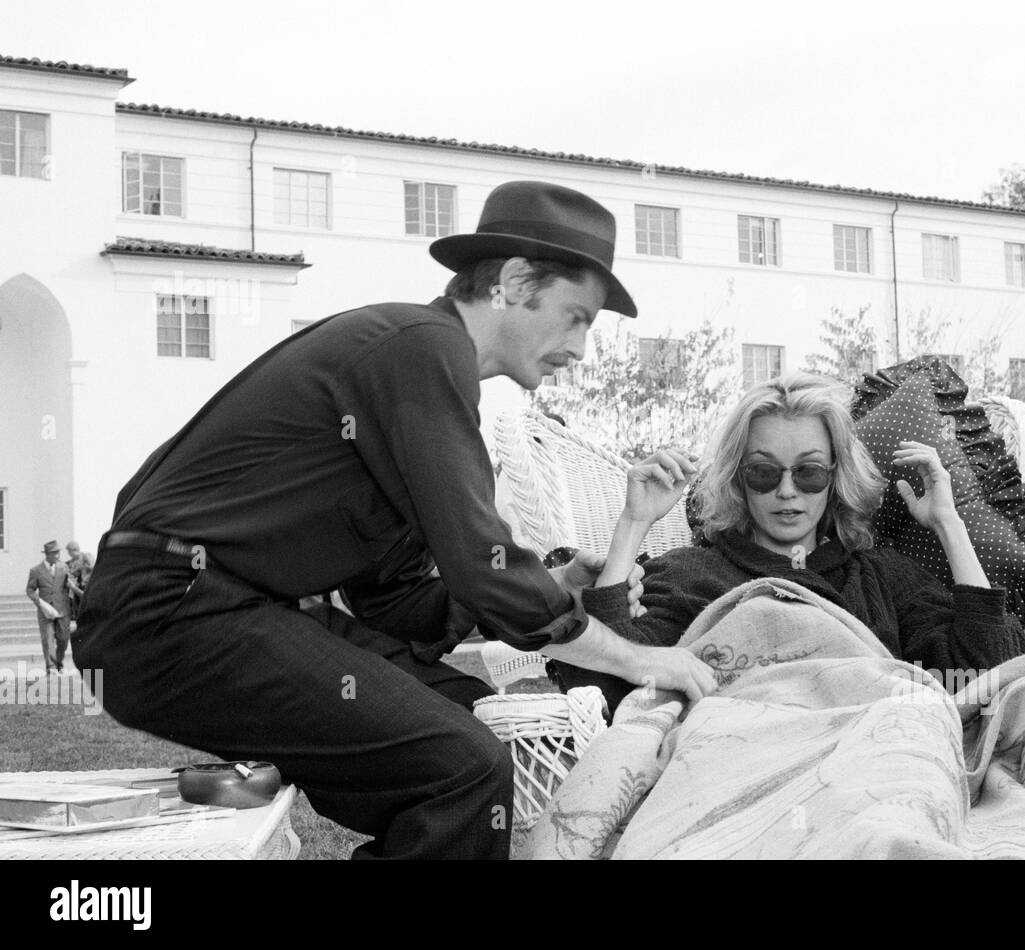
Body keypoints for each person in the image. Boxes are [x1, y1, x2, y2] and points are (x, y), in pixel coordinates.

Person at [74, 180, 716, 860]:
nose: (581, 347)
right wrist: (642, 658)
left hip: (226, 610)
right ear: (515, 281)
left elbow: (403, 605)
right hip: (171, 613)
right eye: (576, 316)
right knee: (460, 767)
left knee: (472, 716)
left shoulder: (428, 385)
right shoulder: (421, 348)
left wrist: (557, 581)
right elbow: (481, 566)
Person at [553, 373, 1025, 712]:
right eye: (763, 472)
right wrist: (632, 524)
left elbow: (983, 676)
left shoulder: (883, 575)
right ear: (738, 479)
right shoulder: (690, 573)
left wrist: (949, 524)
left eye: (809, 472)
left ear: (836, 477)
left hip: (873, 765)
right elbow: (606, 687)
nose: (786, 492)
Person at [26, 540, 73, 674]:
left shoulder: (64, 567)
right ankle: (51, 668)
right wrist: (40, 603)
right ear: (46, 554)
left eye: (58, 552)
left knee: (63, 639)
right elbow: (29, 590)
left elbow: (68, 585)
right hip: (45, 611)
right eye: (54, 553)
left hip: (62, 609)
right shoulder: (36, 570)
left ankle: (59, 663)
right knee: (47, 639)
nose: (57, 556)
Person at [64, 540, 94, 622]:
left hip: (83, 596)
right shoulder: (71, 563)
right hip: (76, 597)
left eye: (69, 551)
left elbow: (85, 595)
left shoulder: (85, 558)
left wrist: (73, 586)